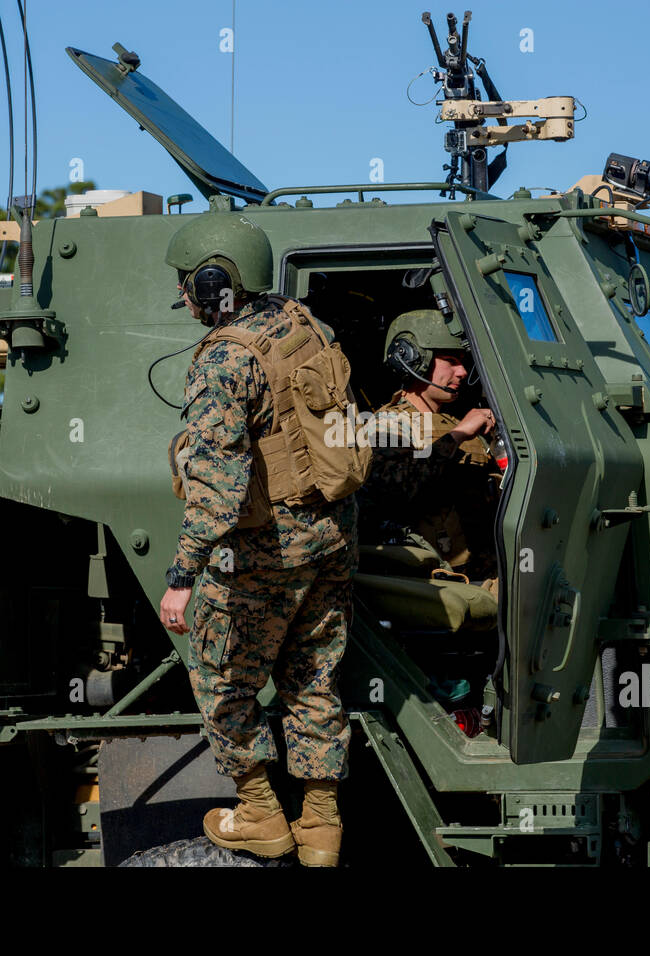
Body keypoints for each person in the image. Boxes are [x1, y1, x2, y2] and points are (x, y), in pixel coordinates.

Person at [158, 213, 358, 867]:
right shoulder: (302, 326)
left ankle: (261, 815)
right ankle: (321, 829)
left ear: (216, 280)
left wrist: (183, 578)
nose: (185, 295)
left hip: (269, 549)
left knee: (220, 679)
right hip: (329, 542)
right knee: (313, 681)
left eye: (190, 282)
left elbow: (217, 483)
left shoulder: (224, 358)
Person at [360, 309, 500, 585]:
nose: (462, 371)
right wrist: (458, 436)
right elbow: (394, 489)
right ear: (414, 359)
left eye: (462, 362)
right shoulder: (389, 423)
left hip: (480, 573)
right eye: (450, 360)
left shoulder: (454, 422)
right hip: (434, 580)